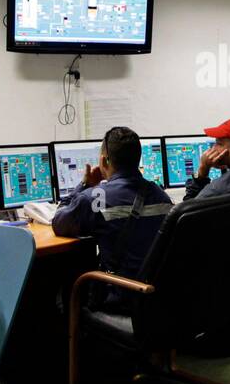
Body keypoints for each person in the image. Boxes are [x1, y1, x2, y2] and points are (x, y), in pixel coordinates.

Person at [52, 125, 172, 310]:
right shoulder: (160, 194)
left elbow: (59, 223)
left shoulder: (96, 196)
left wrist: (84, 185)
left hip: (120, 297)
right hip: (156, 296)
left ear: (104, 161)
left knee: (64, 288)